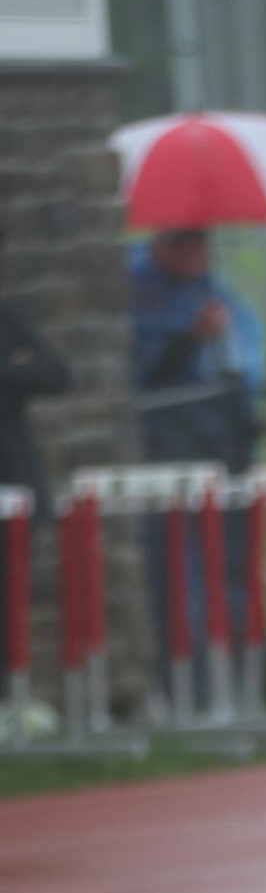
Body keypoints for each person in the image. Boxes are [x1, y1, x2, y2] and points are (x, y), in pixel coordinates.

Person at [128, 229, 265, 714]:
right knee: (180, 574)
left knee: (229, 568)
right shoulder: (137, 293)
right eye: (183, 242)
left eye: (201, 242)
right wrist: (188, 339)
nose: (195, 254)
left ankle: (237, 684)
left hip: (222, 450)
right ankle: (190, 690)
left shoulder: (218, 294)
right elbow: (140, 372)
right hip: (172, 457)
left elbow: (247, 365)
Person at [1, 227, 73, 681]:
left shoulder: (8, 315)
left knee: (11, 596)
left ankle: (10, 697)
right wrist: (15, 368)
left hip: (13, 474)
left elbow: (56, 373)